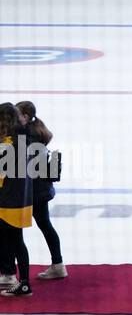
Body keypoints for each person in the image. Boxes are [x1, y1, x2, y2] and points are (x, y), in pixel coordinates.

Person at [16, 102, 65, 280]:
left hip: (31, 191)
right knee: (45, 224)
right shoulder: (36, 131)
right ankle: (58, 265)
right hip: (40, 189)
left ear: (25, 117)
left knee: (14, 230)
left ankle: (11, 274)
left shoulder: (27, 136)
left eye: (17, 115)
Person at [0, 103, 33, 297]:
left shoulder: (9, 143)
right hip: (20, 198)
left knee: (14, 241)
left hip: (8, 200)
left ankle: (21, 281)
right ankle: (17, 278)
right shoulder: (22, 137)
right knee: (15, 240)